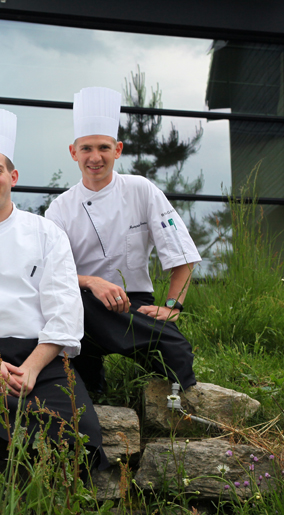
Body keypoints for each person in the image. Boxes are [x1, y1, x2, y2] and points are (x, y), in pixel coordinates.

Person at [0, 106, 107, 493]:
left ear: (12, 177)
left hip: (40, 360)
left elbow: (64, 309)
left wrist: (29, 368)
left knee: (81, 438)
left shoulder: (46, 233)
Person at [44, 87, 201, 394]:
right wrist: (93, 282)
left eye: (103, 148)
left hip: (136, 305)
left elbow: (182, 254)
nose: (95, 157)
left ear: (117, 150)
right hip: (85, 307)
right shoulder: (60, 208)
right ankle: (95, 387)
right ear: (73, 153)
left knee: (175, 357)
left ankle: (178, 399)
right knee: (87, 365)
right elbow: (50, 271)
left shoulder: (141, 189)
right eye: (86, 148)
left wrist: (172, 306)